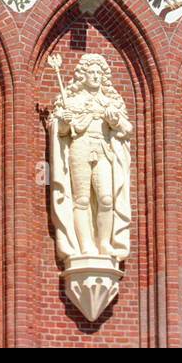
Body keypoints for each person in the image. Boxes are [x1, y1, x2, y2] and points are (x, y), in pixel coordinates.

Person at [49, 53, 132, 260]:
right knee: (82, 199)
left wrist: (114, 122)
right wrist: (65, 122)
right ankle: (85, 245)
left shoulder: (111, 102)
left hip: (103, 149)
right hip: (80, 147)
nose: (95, 76)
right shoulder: (71, 100)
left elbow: (126, 128)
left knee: (106, 198)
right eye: (91, 72)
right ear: (83, 75)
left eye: (98, 72)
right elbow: (60, 131)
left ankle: (104, 242)